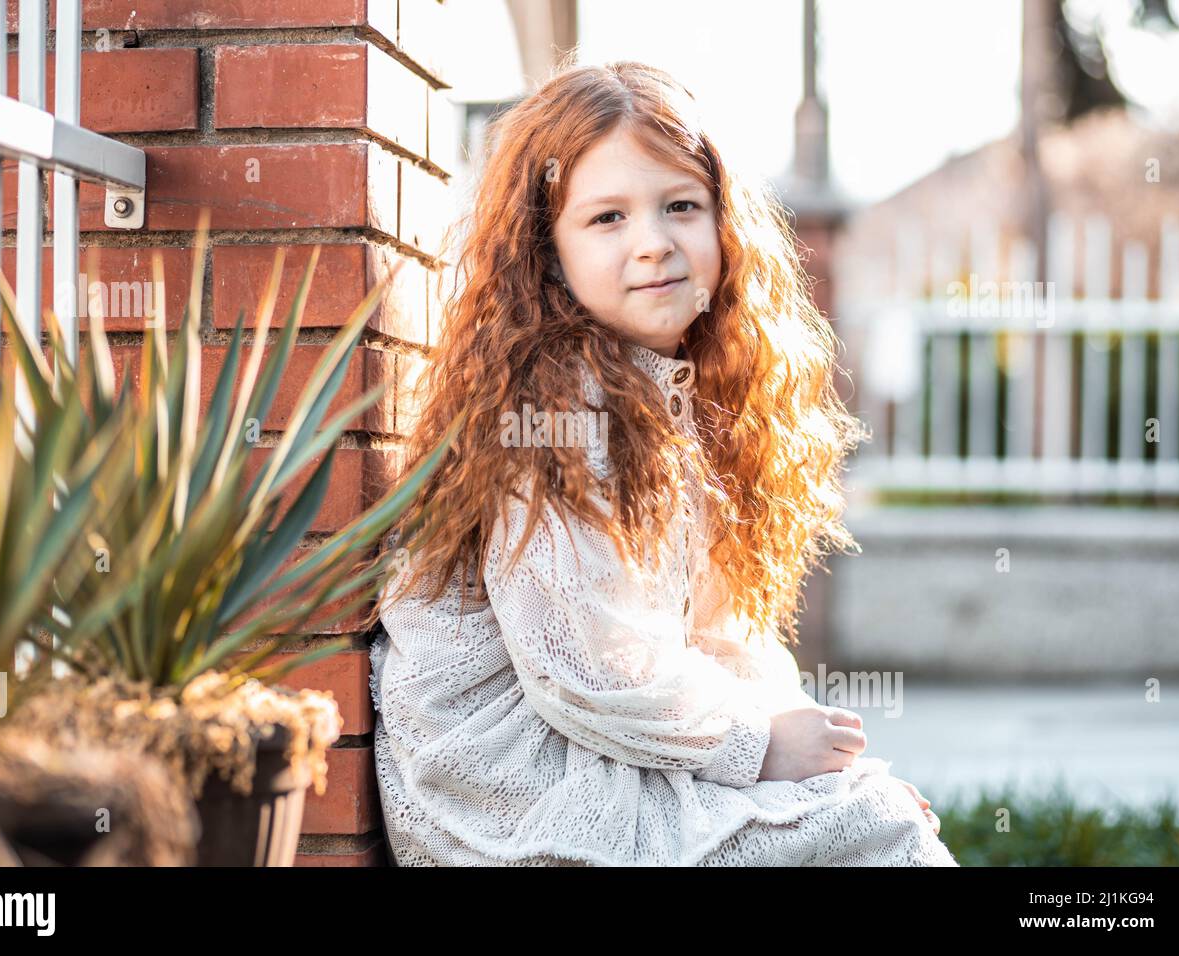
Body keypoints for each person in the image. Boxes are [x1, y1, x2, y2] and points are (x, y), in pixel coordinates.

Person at [354, 60, 957, 866]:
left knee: (870, 814)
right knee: (880, 837)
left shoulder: (664, 397)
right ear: (547, 250)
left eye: (681, 206)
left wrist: (826, 764)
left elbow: (717, 637)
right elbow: (588, 670)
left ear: (724, 225)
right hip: (511, 784)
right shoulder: (556, 408)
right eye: (607, 218)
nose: (654, 243)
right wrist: (766, 750)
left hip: (598, 743)